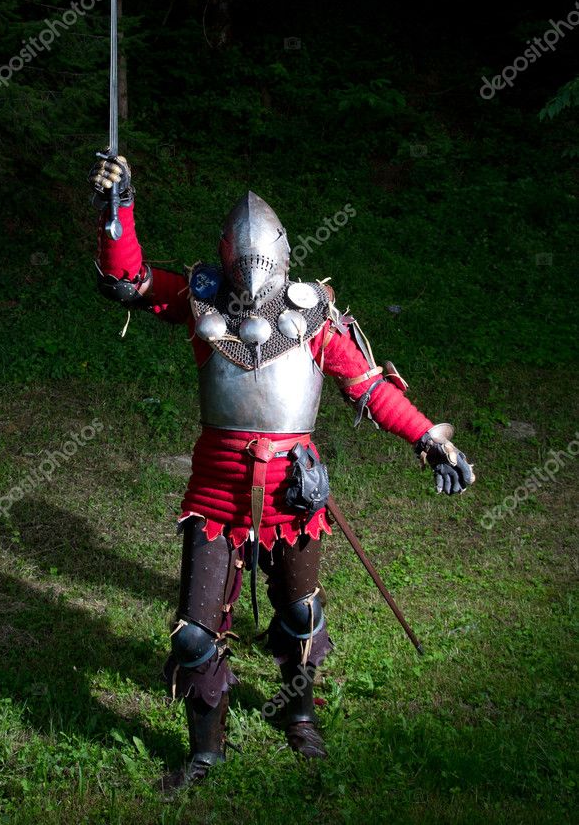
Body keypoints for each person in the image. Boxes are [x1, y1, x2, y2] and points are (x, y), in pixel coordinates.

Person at [89, 155, 475, 789]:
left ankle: (298, 714)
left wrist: (429, 439)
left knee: (300, 613)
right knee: (193, 636)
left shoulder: (315, 317)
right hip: (216, 491)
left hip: (294, 491)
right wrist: (117, 209)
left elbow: (369, 387)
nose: (251, 272)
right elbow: (128, 281)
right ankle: (207, 751)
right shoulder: (200, 300)